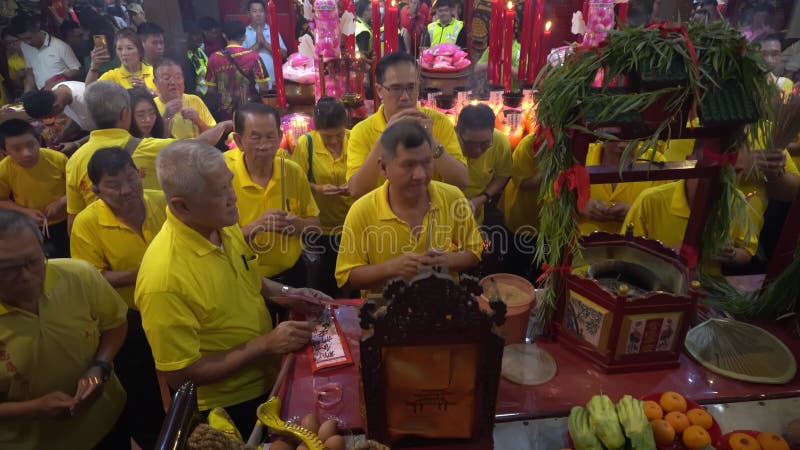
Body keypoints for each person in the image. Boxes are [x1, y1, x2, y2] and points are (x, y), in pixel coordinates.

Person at [135, 139, 325, 434]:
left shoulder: (222, 225)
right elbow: (180, 373)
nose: (233, 197)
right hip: (227, 405)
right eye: (219, 192)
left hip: (268, 376)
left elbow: (249, 278)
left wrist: (290, 294)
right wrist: (266, 344)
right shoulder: (164, 278)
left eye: (229, 184)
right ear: (181, 206)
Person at [0, 209, 129, 450]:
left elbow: (115, 324)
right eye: (8, 269)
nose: (26, 276)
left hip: (106, 421)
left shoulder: (79, 276)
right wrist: (33, 409)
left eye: (32, 261)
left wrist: (99, 366)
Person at [70, 147, 166, 450]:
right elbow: (93, 278)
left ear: (141, 173)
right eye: (113, 185)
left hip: (172, 308)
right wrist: (148, 271)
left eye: (131, 179)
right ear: (97, 190)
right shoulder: (87, 224)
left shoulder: (161, 202)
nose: (127, 190)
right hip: (128, 320)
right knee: (142, 391)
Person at [336, 119, 482, 294]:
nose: (420, 175)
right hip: (385, 312)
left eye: (427, 162)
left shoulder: (453, 198)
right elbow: (347, 278)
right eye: (408, 165)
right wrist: (392, 268)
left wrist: (445, 261)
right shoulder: (362, 210)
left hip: (442, 305)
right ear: (383, 168)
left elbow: (475, 251)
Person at [66, 81, 230, 227]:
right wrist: (223, 125)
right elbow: (198, 144)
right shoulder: (147, 148)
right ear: (126, 113)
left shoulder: (74, 160)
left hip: (103, 245)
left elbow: (73, 220)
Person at [347, 51, 468, 198]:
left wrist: (431, 141)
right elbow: (356, 191)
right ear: (379, 90)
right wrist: (384, 138)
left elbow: (461, 182)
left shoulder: (438, 122)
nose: (405, 97)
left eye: (411, 87)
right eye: (396, 89)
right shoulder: (362, 131)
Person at [623, 147, 758, 272]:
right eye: (718, 171)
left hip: (708, 289)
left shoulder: (737, 201)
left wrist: (731, 255)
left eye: (737, 172)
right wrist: (668, 253)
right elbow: (625, 255)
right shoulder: (650, 201)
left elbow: (747, 251)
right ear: (691, 163)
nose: (727, 182)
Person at [232, 103, 320, 285]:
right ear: (239, 141)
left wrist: (299, 225)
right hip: (244, 279)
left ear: (280, 136)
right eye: (255, 138)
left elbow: (315, 224)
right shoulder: (225, 177)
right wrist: (256, 226)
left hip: (293, 274)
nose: (264, 146)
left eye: (270, 137)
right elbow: (216, 243)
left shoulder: (293, 172)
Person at [292, 97, 354, 295]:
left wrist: (354, 185)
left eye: (339, 134)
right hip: (320, 231)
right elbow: (297, 183)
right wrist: (317, 188)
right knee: (325, 285)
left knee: (352, 284)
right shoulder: (306, 144)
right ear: (317, 130)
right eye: (327, 136)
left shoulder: (355, 140)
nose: (334, 141)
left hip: (352, 226)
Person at [0, 119, 69, 258]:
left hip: (64, 220)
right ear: (5, 151)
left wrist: (61, 202)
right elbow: (2, 200)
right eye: (16, 149)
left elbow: (76, 189)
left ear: (38, 140)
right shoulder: (4, 170)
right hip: (31, 225)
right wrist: (25, 212)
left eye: (30, 145)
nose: (26, 153)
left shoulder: (58, 159)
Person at [578, 139, 666, 235]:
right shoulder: (580, 156)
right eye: (615, 137)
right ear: (600, 132)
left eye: (630, 137)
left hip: (638, 247)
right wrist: (579, 206)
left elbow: (664, 219)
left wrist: (636, 214)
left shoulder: (656, 162)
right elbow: (560, 203)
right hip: (584, 245)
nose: (623, 145)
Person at [456, 104, 512, 225]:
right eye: (470, 144)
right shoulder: (445, 143)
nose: (477, 151)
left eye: (485, 144)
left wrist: (481, 199)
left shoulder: (499, 142)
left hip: (475, 215)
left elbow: (502, 176)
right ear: (457, 132)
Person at [206, 20, 269, 120]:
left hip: (225, 116)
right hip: (249, 113)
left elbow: (210, 90)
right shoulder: (253, 57)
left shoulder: (213, 58)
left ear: (224, 36)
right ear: (244, 37)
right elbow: (264, 88)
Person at [500, 132, 543, 278]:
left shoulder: (571, 143)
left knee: (541, 265)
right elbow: (523, 183)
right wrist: (551, 173)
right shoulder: (529, 143)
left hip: (548, 219)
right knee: (516, 263)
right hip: (522, 215)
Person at [21, 81, 96, 155]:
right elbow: (77, 115)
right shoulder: (57, 91)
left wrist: (77, 144)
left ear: (56, 107)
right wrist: (61, 135)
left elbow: (106, 131)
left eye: (49, 116)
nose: (50, 119)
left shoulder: (86, 101)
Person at [10, 14, 81, 92]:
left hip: (63, 92)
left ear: (37, 30)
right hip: (43, 95)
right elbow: (30, 72)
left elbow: (77, 70)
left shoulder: (60, 46)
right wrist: (27, 95)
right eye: (22, 39)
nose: (27, 42)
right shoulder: (25, 46)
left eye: (29, 38)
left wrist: (58, 79)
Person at [153, 59, 216, 139]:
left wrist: (198, 121)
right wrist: (166, 118)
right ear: (156, 83)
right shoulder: (152, 106)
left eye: (177, 77)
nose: (173, 82)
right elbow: (154, 141)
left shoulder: (194, 100)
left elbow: (213, 136)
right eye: (166, 78)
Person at [86, 28, 157, 93]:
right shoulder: (112, 76)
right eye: (119, 49)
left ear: (140, 51)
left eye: (129, 48)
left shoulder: (153, 72)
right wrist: (94, 67)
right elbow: (90, 91)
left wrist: (148, 91)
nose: (124, 53)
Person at [242, 0, 287, 89]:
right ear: (248, 14)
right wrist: (257, 45)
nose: (258, 14)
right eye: (254, 11)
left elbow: (284, 55)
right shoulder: (243, 33)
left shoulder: (273, 31)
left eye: (261, 11)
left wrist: (265, 44)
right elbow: (241, 60)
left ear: (265, 14)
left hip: (275, 84)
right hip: (252, 87)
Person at [1, 28, 27, 100]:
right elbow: (16, 84)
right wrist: (20, 76)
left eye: (14, 41)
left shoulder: (33, 53)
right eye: (8, 43)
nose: (12, 45)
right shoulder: (12, 60)